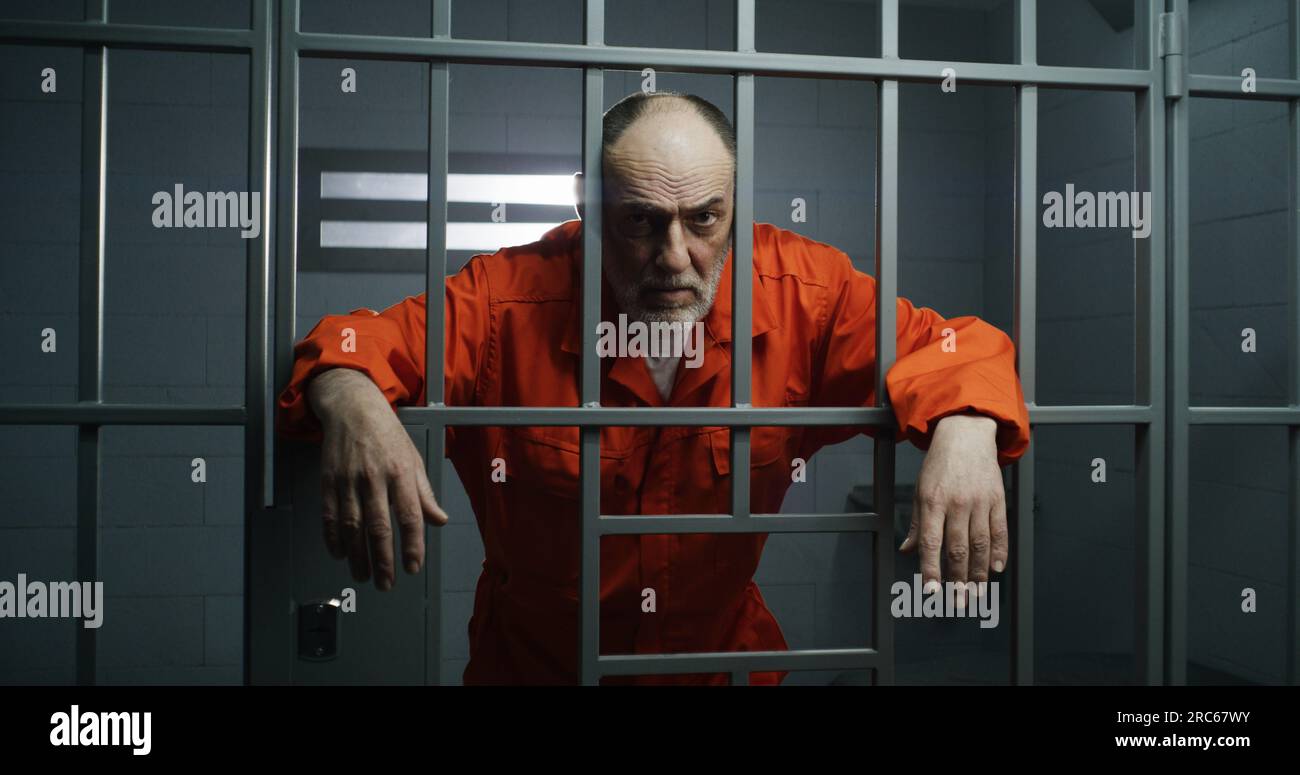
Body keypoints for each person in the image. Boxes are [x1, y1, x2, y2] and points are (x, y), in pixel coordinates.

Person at [277, 91, 1031, 685]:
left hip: (720, 672)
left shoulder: (802, 290)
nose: (676, 256)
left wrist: (966, 423)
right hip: (535, 672)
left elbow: (954, 343)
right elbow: (353, 339)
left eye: (706, 218)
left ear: (738, 201)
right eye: (640, 221)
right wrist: (350, 396)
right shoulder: (509, 298)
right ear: (589, 206)